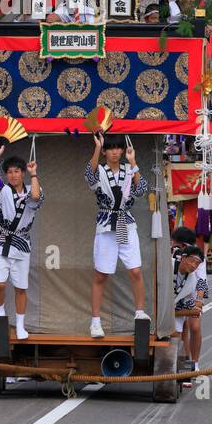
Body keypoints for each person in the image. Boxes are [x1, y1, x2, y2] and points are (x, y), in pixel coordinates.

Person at [85, 133, 149, 337]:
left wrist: (133, 161)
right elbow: (89, 175)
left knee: (135, 270)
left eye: (117, 148)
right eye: (110, 148)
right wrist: (97, 147)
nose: (114, 151)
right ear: (105, 151)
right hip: (106, 225)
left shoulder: (129, 169)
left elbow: (142, 190)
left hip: (125, 222)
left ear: (122, 150)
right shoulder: (100, 171)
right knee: (101, 274)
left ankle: (139, 312)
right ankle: (95, 322)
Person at [0, 144, 43, 341]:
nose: (13, 175)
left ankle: (20, 325)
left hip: (21, 244)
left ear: (22, 173)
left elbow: (36, 197)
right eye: (9, 172)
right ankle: (0, 313)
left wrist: (34, 174)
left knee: (21, 288)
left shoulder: (31, 189)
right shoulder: (3, 190)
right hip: (2, 242)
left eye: (17, 171)